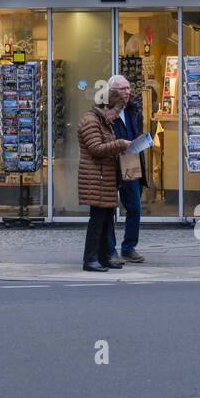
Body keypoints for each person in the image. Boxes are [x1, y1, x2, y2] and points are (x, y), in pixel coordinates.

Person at [77, 86, 131, 273]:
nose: (117, 116)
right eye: (116, 111)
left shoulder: (102, 121)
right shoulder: (91, 121)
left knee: (106, 219)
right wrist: (120, 144)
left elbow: (103, 146)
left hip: (103, 177)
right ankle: (90, 259)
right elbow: (96, 148)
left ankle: (102, 256)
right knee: (97, 219)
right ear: (107, 106)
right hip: (96, 178)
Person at [103, 74, 146, 264]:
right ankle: (110, 249)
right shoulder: (103, 112)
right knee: (109, 209)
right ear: (112, 91)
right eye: (122, 89)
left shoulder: (133, 110)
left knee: (134, 207)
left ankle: (129, 247)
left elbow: (136, 131)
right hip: (110, 163)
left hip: (130, 161)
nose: (127, 92)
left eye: (128, 88)